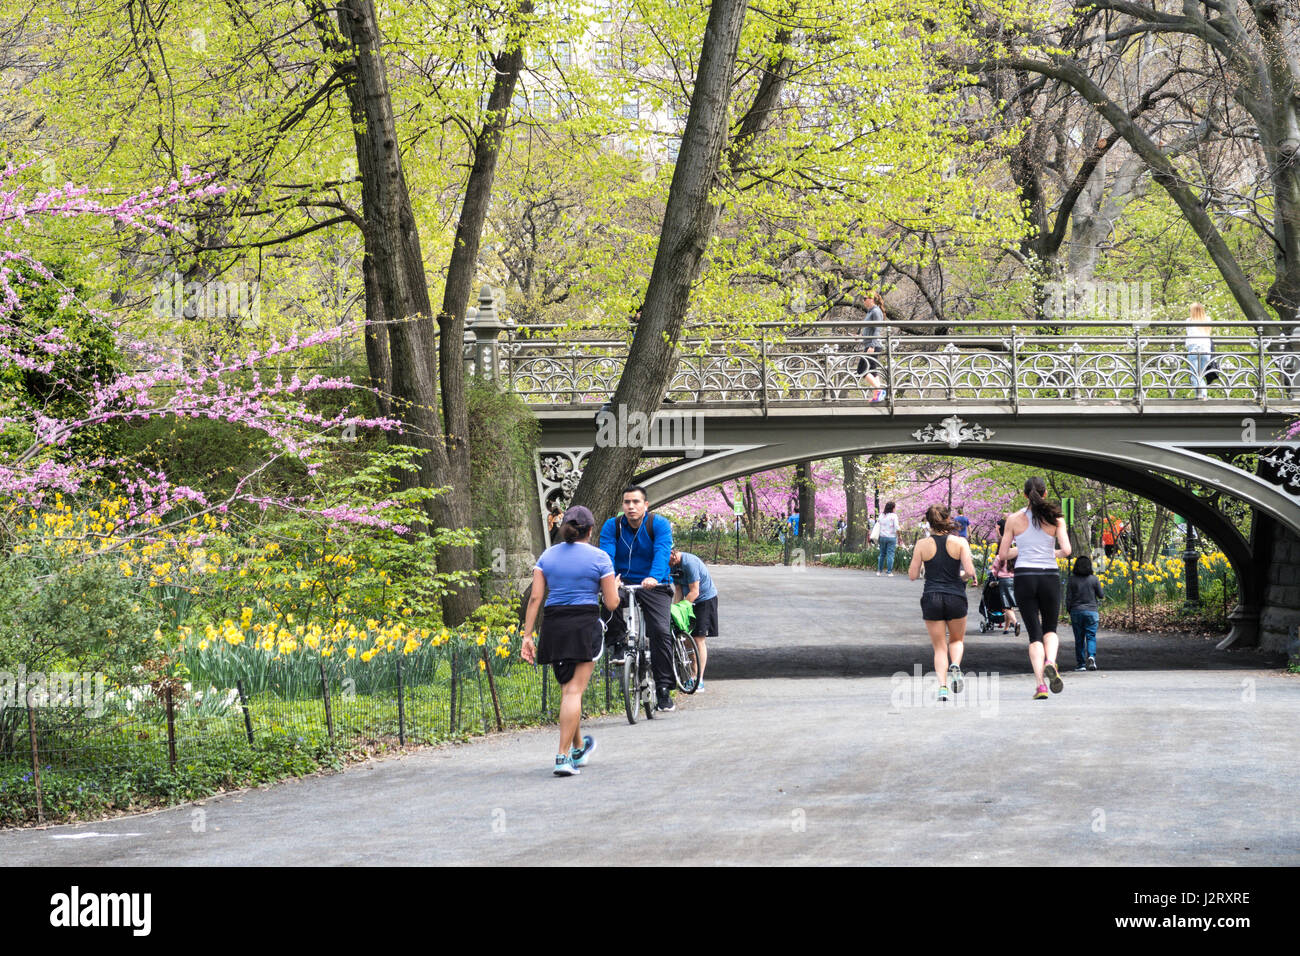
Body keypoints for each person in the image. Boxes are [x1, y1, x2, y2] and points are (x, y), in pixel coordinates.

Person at [522, 505, 620, 776]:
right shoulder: (600, 558)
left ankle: (577, 746)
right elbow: (611, 603)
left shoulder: (547, 556)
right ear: (590, 530)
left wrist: (527, 636)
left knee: (568, 691)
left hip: (554, 624)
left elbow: (535, 598)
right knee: (574, 692)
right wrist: (616, 588)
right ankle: (562, 757)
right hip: (583, 624)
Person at [599, 485, 677, 712]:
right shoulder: (612, 526)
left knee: (660, 631)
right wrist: (611, 579)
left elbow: (662, 551)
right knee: (608, 600)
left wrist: (653, 576)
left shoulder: (658, 524)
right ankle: (618, 644)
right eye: (627, 502)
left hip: (654, 584)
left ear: (646, 505)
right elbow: (606, 555)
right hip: (623, 581)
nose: (631, 506)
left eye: (636, 502)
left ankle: (663, 688)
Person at [997, 476, 1073, 700]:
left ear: (1024, 495)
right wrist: (1051, 553)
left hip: (1024, 577)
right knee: (1051, 629)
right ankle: (1051, 660)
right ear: (1045, 493)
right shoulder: (1056, 518)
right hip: (1049, 575)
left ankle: (1040, 685)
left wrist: (1023, 550)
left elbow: (1003, 554)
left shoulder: (1013, 519)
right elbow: (1067, 550)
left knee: (1034, 635)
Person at [909, 504, 979, 702]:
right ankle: (955, 664)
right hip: (956, 595)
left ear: (928, 522)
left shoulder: (922, 544)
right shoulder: (960, 542)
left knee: (939, 647)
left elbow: (912, 575)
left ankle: (942, 687)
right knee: (956, 640)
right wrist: (961, 576)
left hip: (931, 597)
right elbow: (970, 572)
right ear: (948, 519)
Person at [669, 549, 717, 691]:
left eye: (667, 560)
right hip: (690, 599)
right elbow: (678, 590)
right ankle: (690, 677)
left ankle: (699, 680)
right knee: (688, 640)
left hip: (704, 599)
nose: (667, 564)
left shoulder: (689, 563)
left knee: (698, 638)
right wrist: (674, 609)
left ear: (673, 554)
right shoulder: (672, 565)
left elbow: (695, 591)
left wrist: (681, 608)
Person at [1067, 555, 1104, 671]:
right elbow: (1101, 595)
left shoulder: (1072, 579)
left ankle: (1081, 664)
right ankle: (1092, 656)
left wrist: (1069, 610)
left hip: (1076, 611)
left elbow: (1068, 598)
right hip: (1092, 611)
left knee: (1079, 639)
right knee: (1091, 636)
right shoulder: (1094, 579)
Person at [991, 517, 1020, 636]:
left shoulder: (1000, 557)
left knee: (1006, 606)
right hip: (1015, 580)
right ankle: (1006, 628)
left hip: (1004, 581)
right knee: (1010, 605)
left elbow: (994, 570)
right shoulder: (1016, 556)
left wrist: (993, 578)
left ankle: (1015, 622)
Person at [856, 292, 887, 403]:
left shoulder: (876, 311)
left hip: (873, 345)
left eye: (865, 298)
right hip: (870, 344)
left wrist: (872, 345)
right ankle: (877, 396)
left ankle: (879, 390)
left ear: (871, 299)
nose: (863, 301)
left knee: (861, 370)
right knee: (873, 371)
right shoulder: (871, 311)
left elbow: (877, 329)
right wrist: (861, 336)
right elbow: (870, 328)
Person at [1185, 302, 1213, 399]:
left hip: (1193, 348)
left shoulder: (1189, 321)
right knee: (1201, 374)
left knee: (1195, 375)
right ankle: (1203, 395)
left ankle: (1202, 395)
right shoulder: (1208, 320)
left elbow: (1188, 333)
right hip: (1206, 349)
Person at [874, 501, 900, 576]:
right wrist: (899, 536)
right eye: (895, 507)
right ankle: (889, 572)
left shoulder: (881, 515)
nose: (895, 509)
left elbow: (878, 524)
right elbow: (897, 527)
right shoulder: (894, 516)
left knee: (882, 554)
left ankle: (879, 571)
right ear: (892, 508)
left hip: (882, 537)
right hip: (891, 537)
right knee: (890, 555)